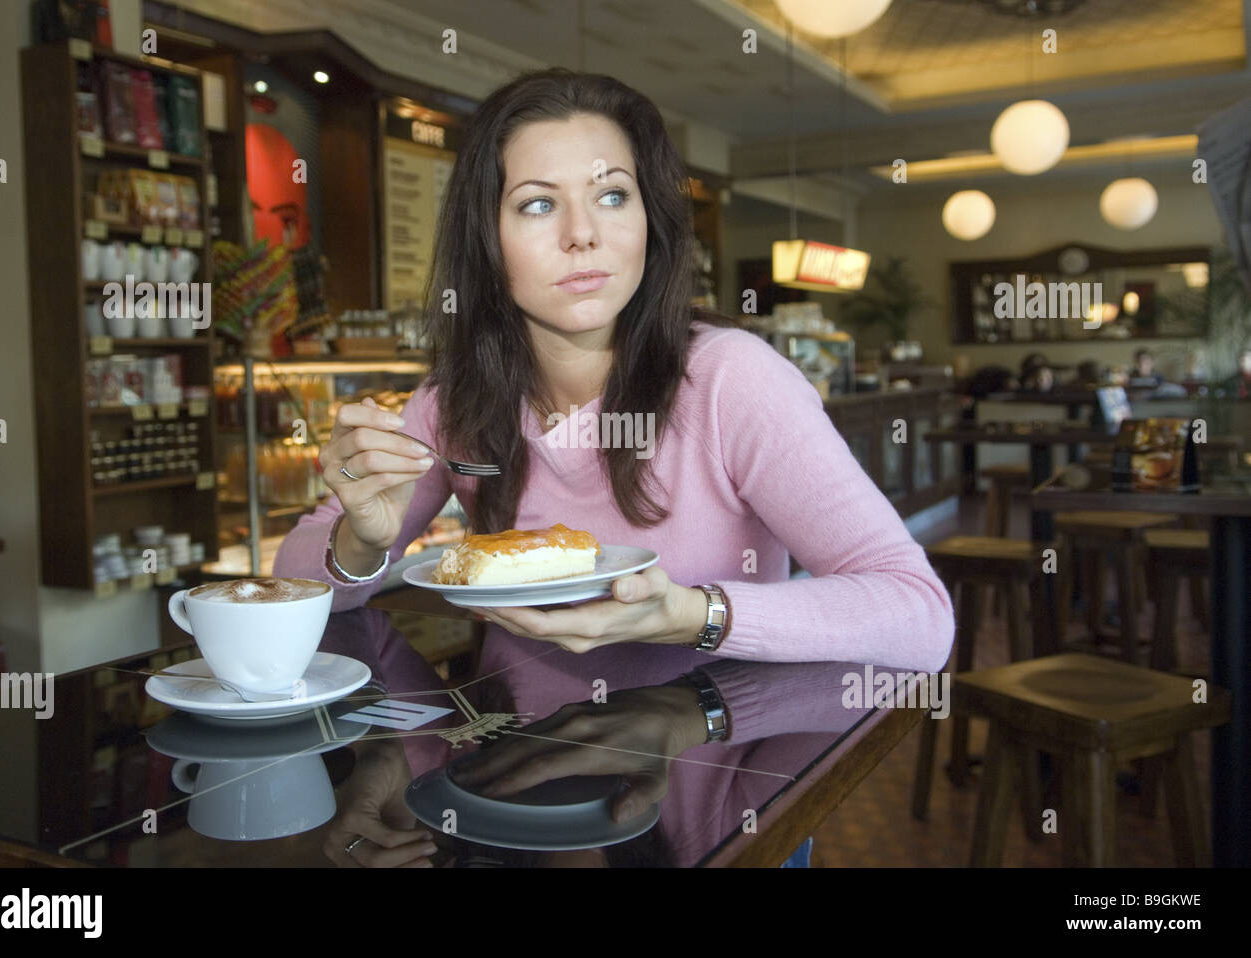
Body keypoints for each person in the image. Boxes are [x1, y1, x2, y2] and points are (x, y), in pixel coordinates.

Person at [274, 69, 954, 862]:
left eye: (611, 195)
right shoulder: (454, 401)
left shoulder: (733, 380)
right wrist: (361, 540)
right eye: (536, 203)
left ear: (650, 220)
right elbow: (296, 589)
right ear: (486, 239)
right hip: (507, 792)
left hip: (706, 782)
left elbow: (919, 614)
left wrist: (695, 615)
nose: (582, 234)